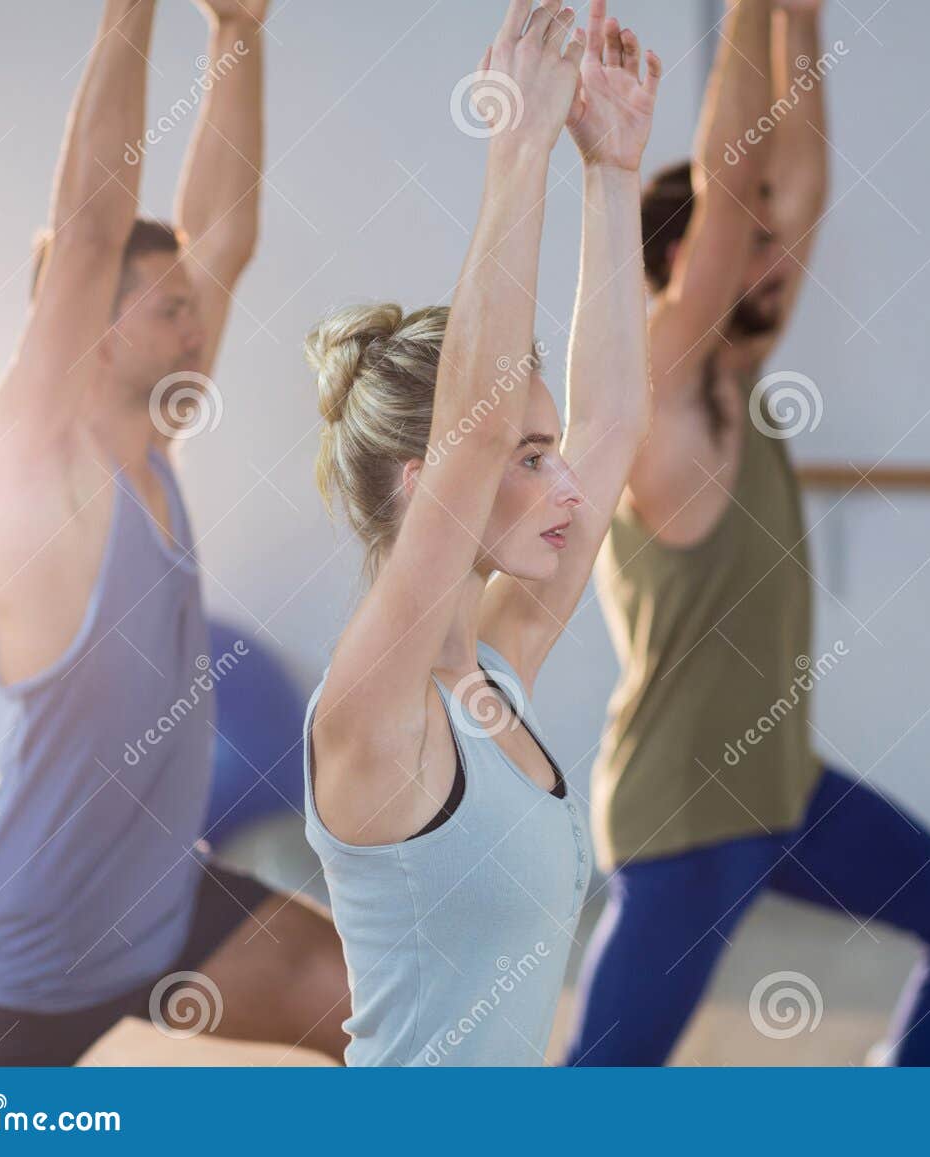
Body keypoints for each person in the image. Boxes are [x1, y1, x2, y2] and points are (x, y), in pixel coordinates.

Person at [561, 0, 930, 1068]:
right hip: (686, 820)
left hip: (778, 785)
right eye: (748, 252)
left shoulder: (734, 381)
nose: (777, 264)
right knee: (589, 1092)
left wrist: (792, 18)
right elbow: (730, 196)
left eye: (773, 251)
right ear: (685, 272)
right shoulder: (660, 394)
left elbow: (795, 193)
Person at [0, 0, 352, 1066]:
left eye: (187, 306)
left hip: (157, 910)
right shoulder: (37, 461)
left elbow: (225, 235)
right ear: (89, 321)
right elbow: (86, 228)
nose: (194, 321)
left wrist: (237, 32)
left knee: (366, 1002)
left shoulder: (151, 434)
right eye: (164, 307)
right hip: (32, 948)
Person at [300, 0, 661, 1066]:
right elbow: (476, 431)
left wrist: (613, 172)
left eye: (546, 452)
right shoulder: (368, 708)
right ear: (429, 485)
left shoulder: (496, 669)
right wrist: (519, 149)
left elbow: (612, 423)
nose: (564, 482)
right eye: (527, 456)